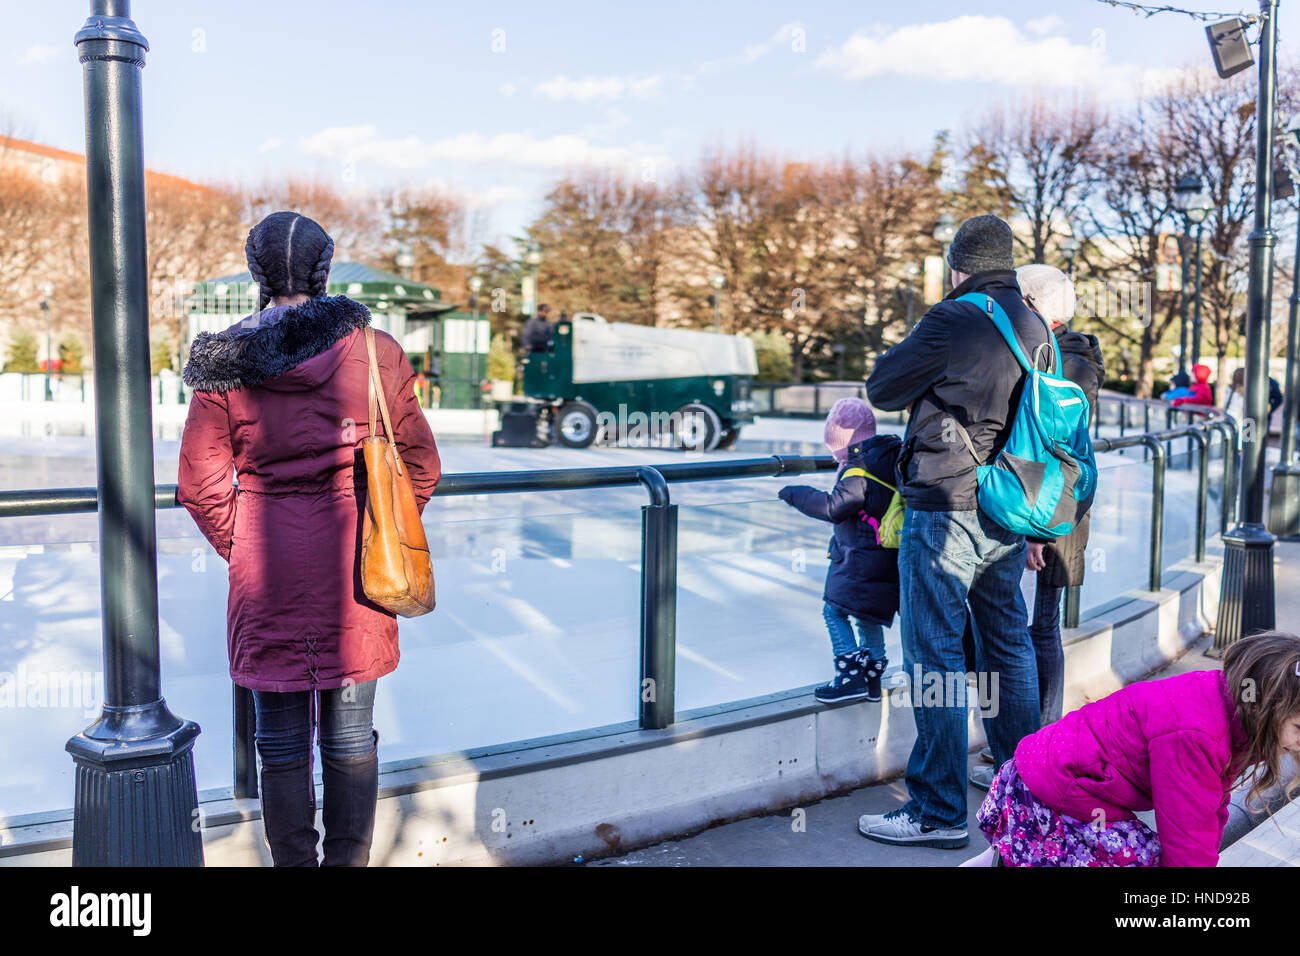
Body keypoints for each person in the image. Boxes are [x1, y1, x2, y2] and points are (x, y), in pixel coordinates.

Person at [178, 211, 442, 866]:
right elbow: (421, 466)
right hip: (358, 568)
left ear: (255, 273)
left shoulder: (225, 364)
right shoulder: (376, 352)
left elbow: (201, 483)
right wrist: (381, 526)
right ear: (326, 271)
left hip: (264, 569)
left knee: (281, 745)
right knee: (352, 739)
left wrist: (245, 542)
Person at [859, 214, 1047, 849]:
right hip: (1007, 504)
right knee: (1008, 646)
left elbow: (883, 386)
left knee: (934, 655)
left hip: (945, 506)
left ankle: (937, 812)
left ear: (957, 266)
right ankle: (1026, 793)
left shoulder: (954, 316)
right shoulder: (1033, 322)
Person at [963, 630, 1300, 867]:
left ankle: (1004, 858)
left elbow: (1210, 806)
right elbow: (1185, 835)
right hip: (1052, 788)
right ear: (1266, 708)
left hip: (1044, 771)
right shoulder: (1197, 733)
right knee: (1138, 859)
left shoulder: (1232, 709)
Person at [778, 399, 902, 704]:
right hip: (884, 557)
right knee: (867, 616)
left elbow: (834, 507)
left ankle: (850, 675)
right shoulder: (889, 460)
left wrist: (796, 493)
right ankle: (872, 677)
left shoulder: (858, 470)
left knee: (833, 610)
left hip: (859, 559)